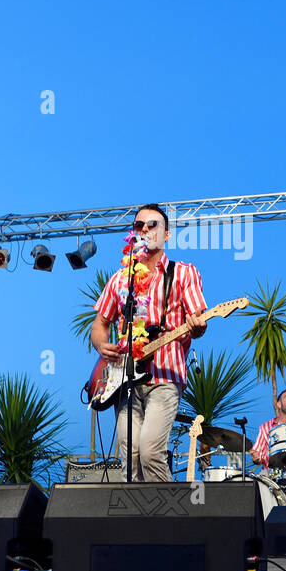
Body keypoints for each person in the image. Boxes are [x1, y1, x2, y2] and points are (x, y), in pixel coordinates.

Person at [90, 205, 208, 482]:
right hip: (124, 379)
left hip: (165, 378)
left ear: (166, 235)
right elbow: (99, 324)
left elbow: (198, 323)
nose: (145, 229)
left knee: (151, 452)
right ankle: (132, 522)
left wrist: (198, 325)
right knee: (128, 458)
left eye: (152, 224)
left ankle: (165, 522)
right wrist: (101, 345)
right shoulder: (121, 278)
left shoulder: (183, 273)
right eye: (139, 225)